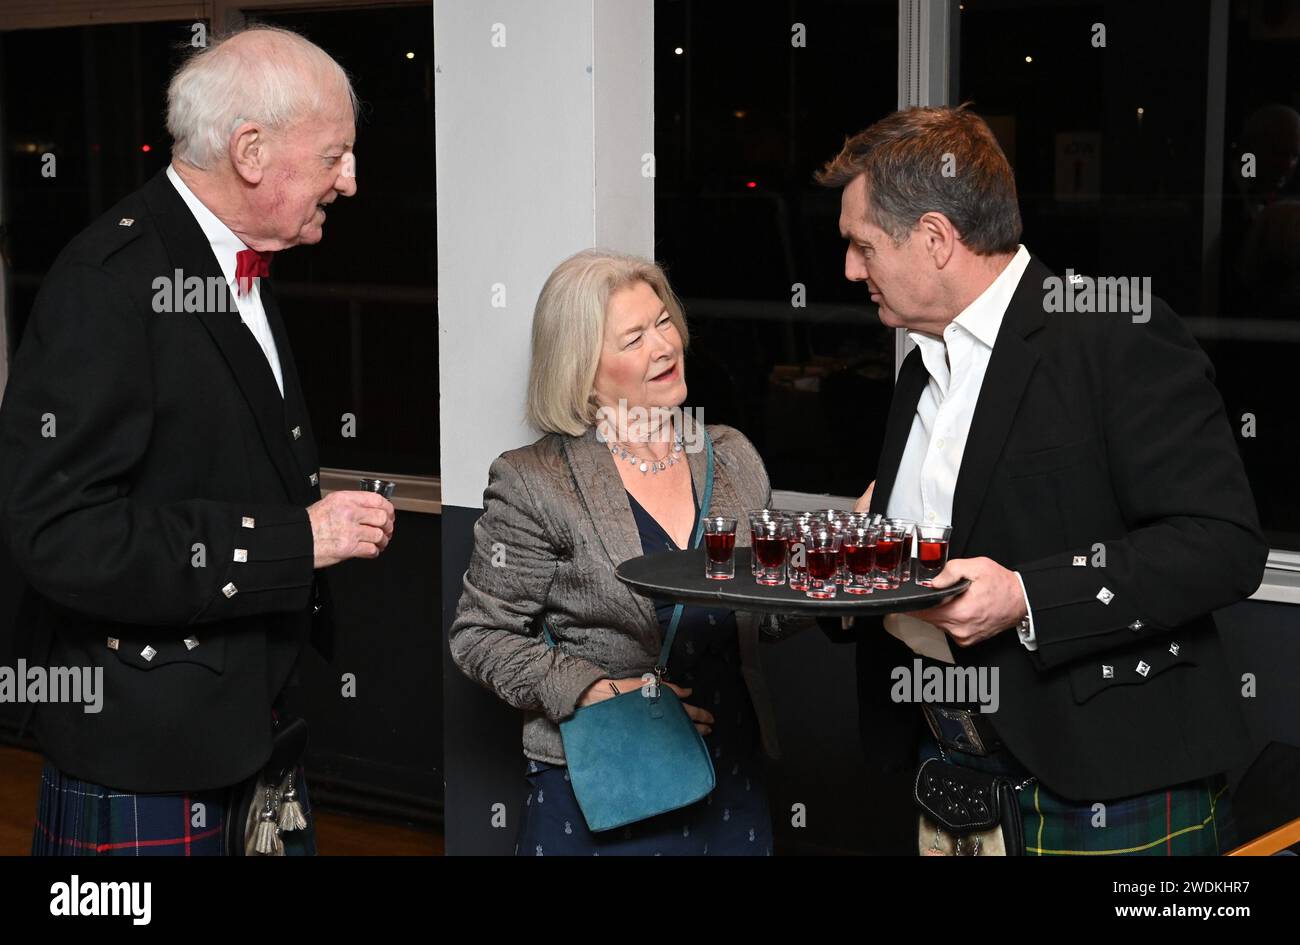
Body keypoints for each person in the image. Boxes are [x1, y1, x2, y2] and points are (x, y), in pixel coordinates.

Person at [816, 105, 1267, 855]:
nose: (850, 270)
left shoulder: (1111, 333)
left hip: (1103, 774)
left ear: (933, 239)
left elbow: (1222, 545)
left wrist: (1027, 597)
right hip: (950, 761)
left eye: (862, 246)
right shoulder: (920, 361)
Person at [0, 25, 394, 856]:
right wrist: (298, 538)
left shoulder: (229, 262)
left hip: (250, 730)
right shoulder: (108, 283)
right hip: (146, 750)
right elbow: (59, 536)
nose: (349, 182)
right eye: (333, 155)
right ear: (250, 150)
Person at [450, 249, 784, 855]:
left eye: (663, 322)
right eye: (634, 338)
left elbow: (766, 611)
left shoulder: (732, 457)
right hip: (607, 785)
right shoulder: (536, 482)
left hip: (730, 772)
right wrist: (597, 692)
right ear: (583, 371)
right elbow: (480, 637)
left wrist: (841, 569)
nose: (664, 346)